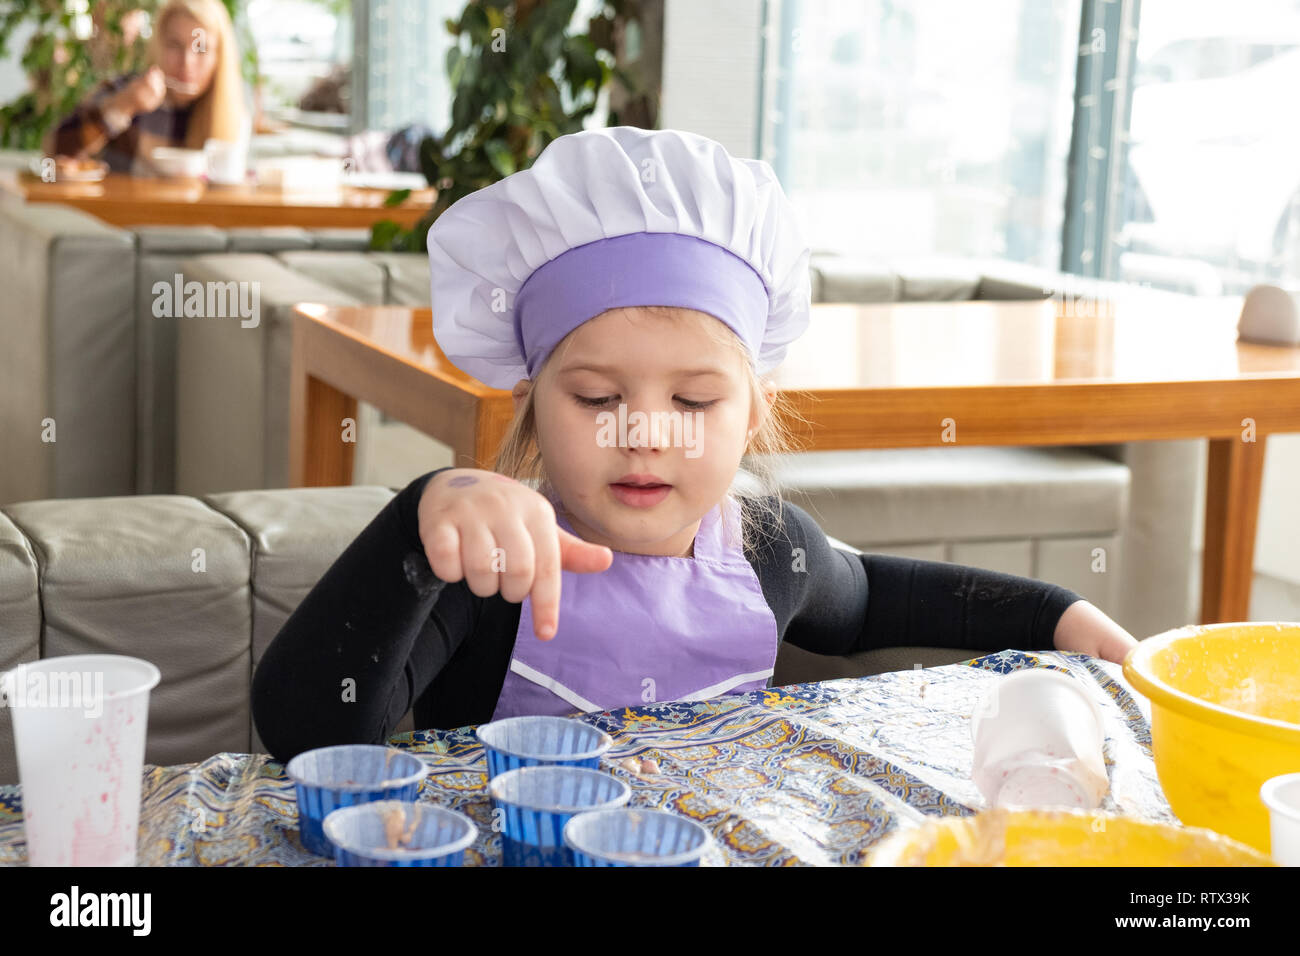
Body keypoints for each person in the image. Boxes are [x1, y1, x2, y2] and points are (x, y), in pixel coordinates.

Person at [251, 126, 1138, 764]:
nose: (645, 432)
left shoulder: (771, 552)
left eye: (694, 398)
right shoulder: (494, 574)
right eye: (597, 396)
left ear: (751, 412)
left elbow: (879, 599)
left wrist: (1056, 614)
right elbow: (309, 734)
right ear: (530, 407)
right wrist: (419, 522)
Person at [45, 0, 246, 175]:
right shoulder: (124, 90)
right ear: (158, 45)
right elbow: (52, 155)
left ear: (219, 57)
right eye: (175, 45)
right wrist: (122, 106)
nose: (187, 62)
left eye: (201, 48)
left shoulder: (232, 115)